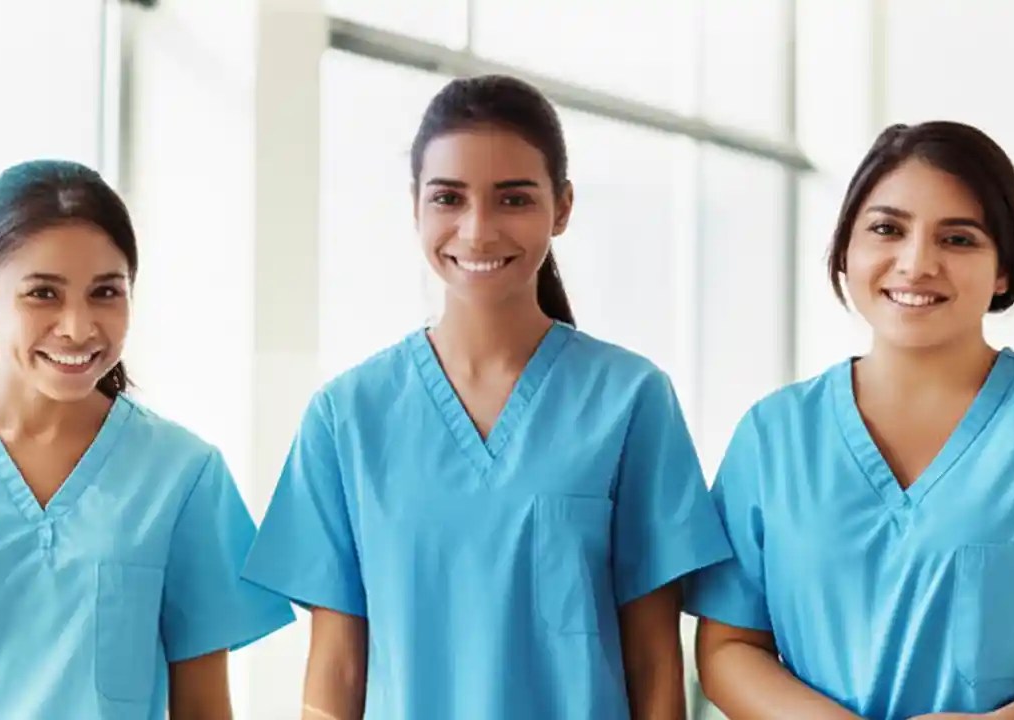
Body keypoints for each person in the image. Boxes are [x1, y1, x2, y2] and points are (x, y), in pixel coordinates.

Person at [241, 75, 731, 720]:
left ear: (562, 207)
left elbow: (654, 661)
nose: (477, 230)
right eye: (449, 197)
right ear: (415, 205)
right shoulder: (347, 417)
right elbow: (336, 669)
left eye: (513, 199)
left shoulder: (631, 401)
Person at [689, 121, 1014, 720]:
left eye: (960, 239)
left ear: (1004, 269)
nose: (917, 263)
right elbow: (729, 645)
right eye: (887, 229)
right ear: (846, 250)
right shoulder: (774, 435)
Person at [0, 160, 294, 719]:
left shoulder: (183, 476)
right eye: (42, 294)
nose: (78, 327)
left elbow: (203, 708)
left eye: (106, 292)